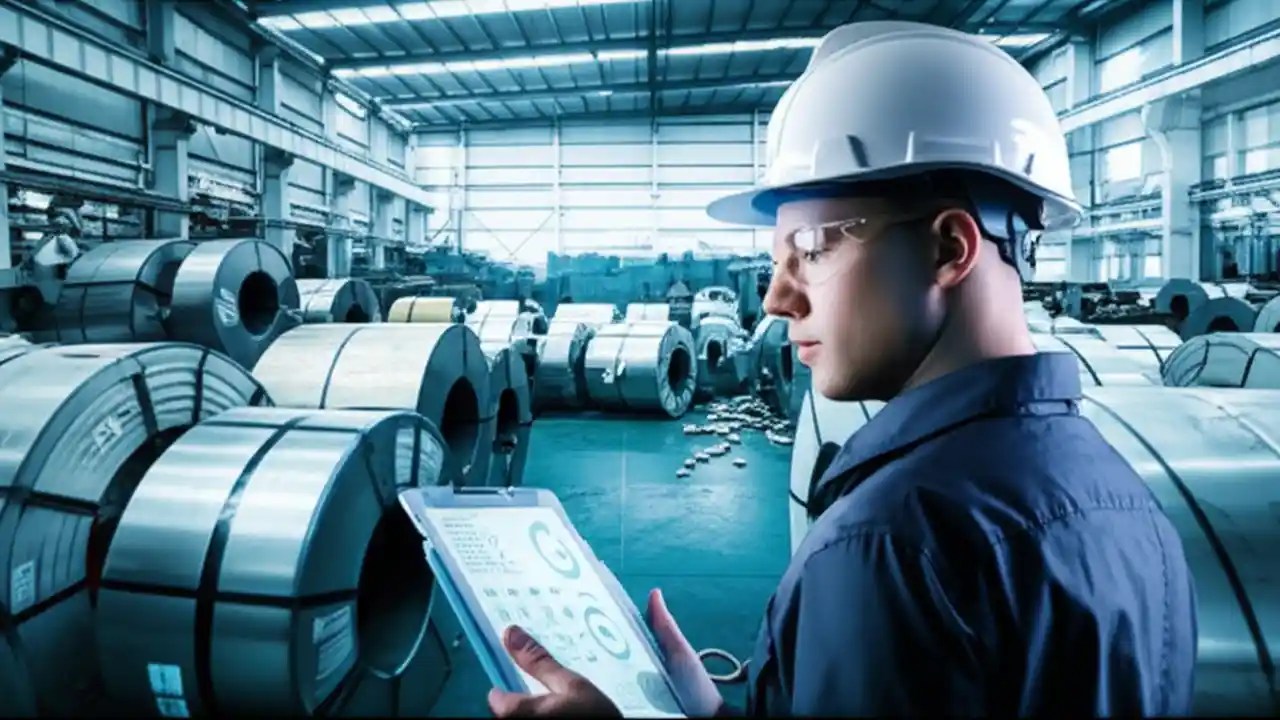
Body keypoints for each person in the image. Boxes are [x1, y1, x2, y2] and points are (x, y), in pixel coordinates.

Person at [485, 20, 1198, 717]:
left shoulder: (888, 546)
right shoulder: (1125, 503)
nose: (776, 298)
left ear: (949, 248)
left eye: (812, 250)